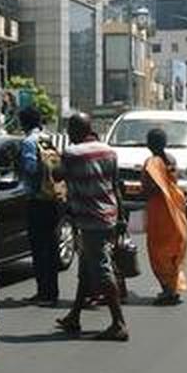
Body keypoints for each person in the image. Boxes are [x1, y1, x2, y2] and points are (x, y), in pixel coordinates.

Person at [55, 113, 128, 341]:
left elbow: (57, 175)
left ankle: (119, 323)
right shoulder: (108, 151)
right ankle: (74, 316)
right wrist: (121, 216)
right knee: (86, 268)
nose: (67, 134)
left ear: (76, 131)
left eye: (69, 129)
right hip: (109, 214)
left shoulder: (73, 153)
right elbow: (115, 186)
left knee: (102, 269)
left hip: (90, 219)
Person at [18, 106, 60, 307]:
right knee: (52, 246)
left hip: (37, 199)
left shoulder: (28, 142)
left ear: (24, 122)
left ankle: (43, 291)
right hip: (53, 197)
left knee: (38, 247)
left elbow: (30, 167)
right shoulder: (47, 138)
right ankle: (52, 290)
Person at [142, 127, 187, 305]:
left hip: (159, 211)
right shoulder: (171, 159)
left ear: (149, 144)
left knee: (158, 252)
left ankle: (168, 290)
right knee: (173, 249)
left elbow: (150, 188)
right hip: (175, 208)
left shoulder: (152, 163)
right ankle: (172, 287)